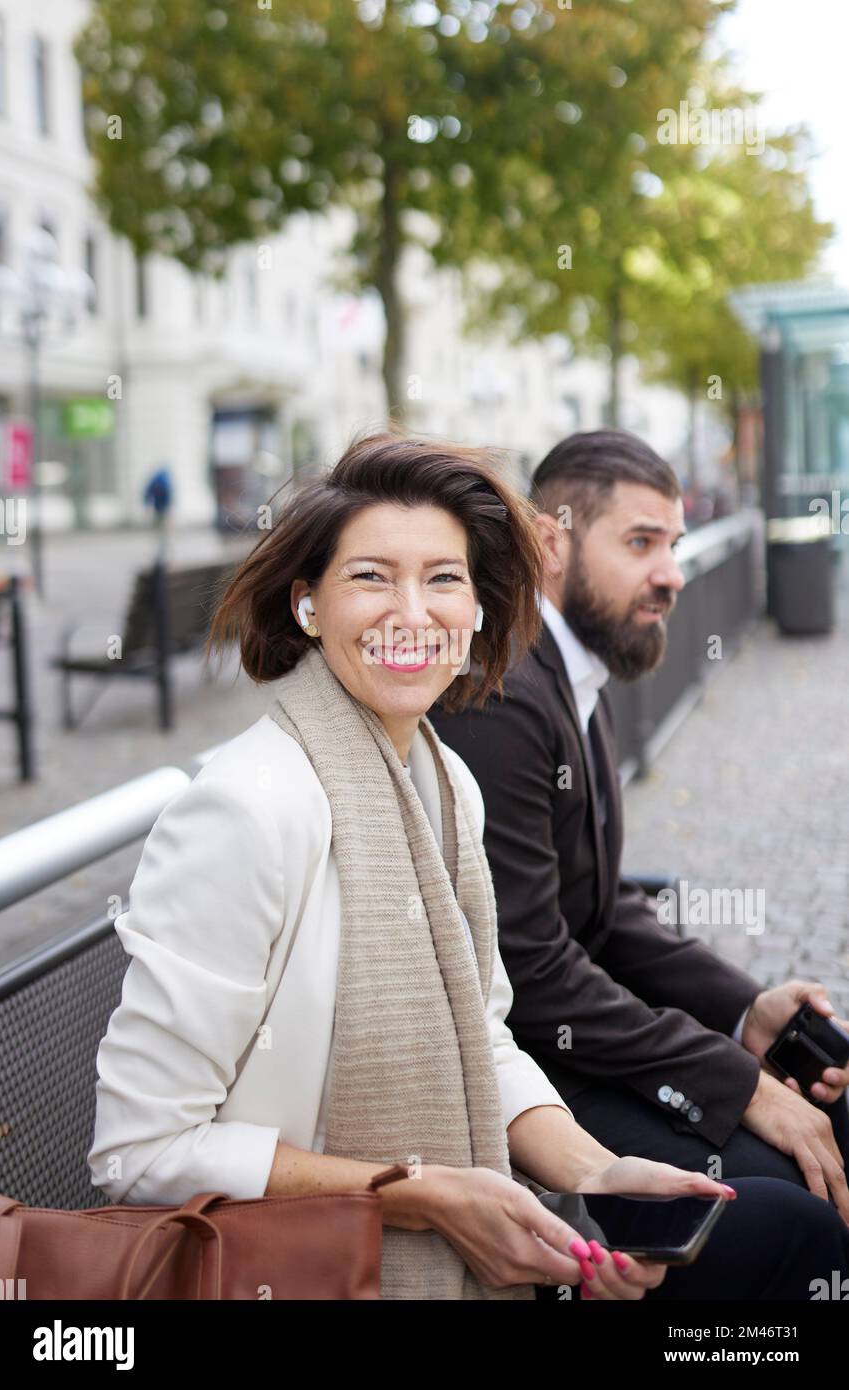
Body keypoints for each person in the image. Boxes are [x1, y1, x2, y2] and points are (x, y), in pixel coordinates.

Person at [88, 430, 849, 1300]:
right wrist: (426, 1196)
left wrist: (598, 1175)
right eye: (372, 576)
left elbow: (480, 1037)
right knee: (791, 1239)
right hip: (309, 1267)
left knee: (789, 1229)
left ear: (480, 609)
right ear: (307, 605)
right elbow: (137, 1150)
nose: (414, 613)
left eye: (444, 579)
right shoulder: (245, 808)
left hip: (454, 1224)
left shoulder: (445, 781)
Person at [429, 428, 849, 1216]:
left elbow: (599, 904)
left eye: (676, 543)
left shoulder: (573, 665)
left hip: (574, 1046)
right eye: (641, 542)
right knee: (793, 1199)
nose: (672, 574)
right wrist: (737, 1082)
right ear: (551, 544)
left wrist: (742, 1009)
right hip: (523, 1082)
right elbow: (532, 969)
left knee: (829, 1121)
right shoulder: (506, 695)